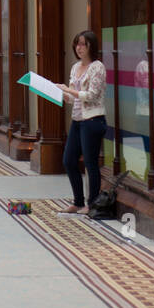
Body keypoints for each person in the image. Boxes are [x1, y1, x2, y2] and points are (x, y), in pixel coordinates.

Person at [56, 30, 107, 216]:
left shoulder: (97, 67)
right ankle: (77, 202)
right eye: (77, 44)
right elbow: (72, 99)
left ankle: (91, 203)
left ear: (91, 46)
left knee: (90, 163)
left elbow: (92, 96)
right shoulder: (75, 67)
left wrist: (71, 92)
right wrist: (60, 93)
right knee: (68, 160)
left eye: (83, 44)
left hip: (92, 120)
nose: (79, 48)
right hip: (77, 121)